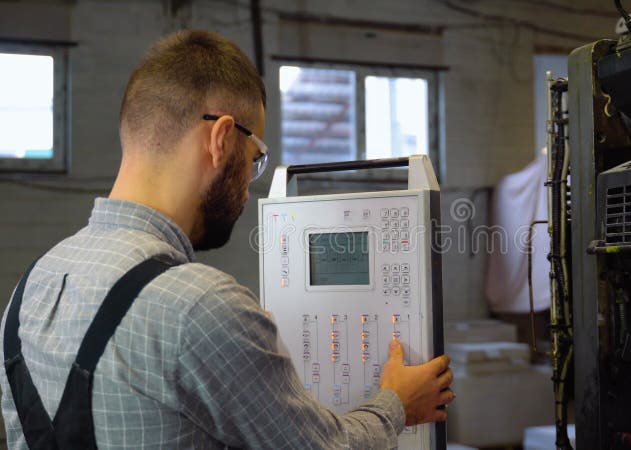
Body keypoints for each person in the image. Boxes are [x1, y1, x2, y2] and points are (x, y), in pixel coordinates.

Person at [1, 29, 453, 449]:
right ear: (220, 138)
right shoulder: (201, 304)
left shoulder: (28, 291)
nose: (248, 183)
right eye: (256, 157)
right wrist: (396, 403)